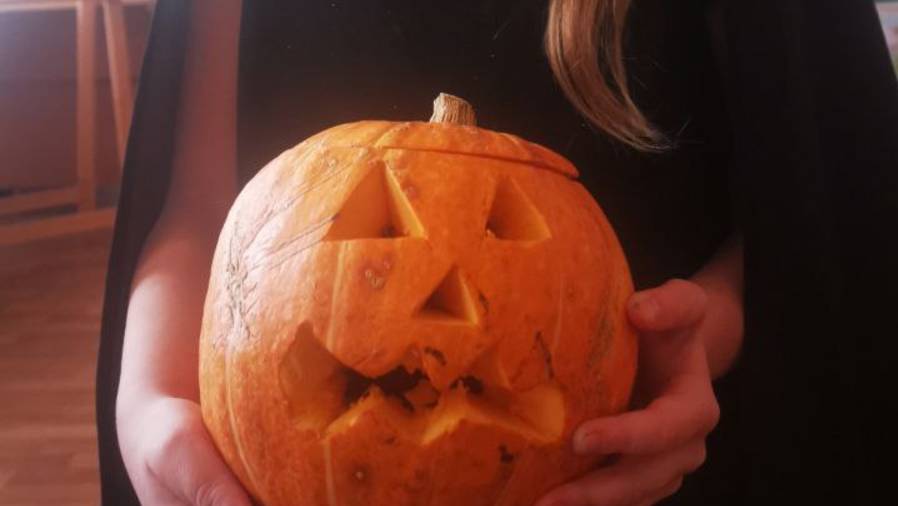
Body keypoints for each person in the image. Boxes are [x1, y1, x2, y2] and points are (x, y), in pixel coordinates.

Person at [95, 1, 898, 505]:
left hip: (645, 465)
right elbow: (198, 209)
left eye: (498, 228)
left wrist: (694, 335)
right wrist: (149, 399)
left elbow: (821, 201)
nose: (447, 305)